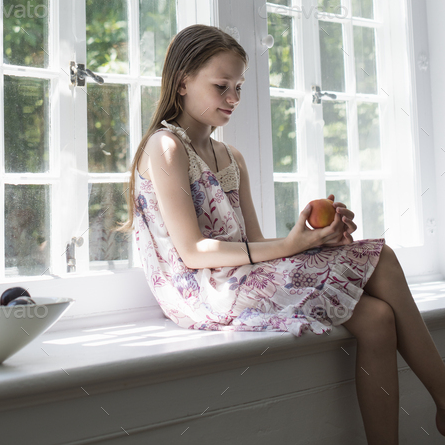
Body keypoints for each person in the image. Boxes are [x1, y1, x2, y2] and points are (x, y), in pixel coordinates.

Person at [117, 24, 445, 444]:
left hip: (238, 280)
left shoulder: (229, 155)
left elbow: (256, 247)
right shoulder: (165, 147)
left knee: (378, 318)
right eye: (222, 86)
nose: (234, 98)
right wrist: (295, 247)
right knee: (382, 257)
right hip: (200, 291)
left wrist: (316, 240)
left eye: (238, 87)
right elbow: (194, 252)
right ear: (183, 82)